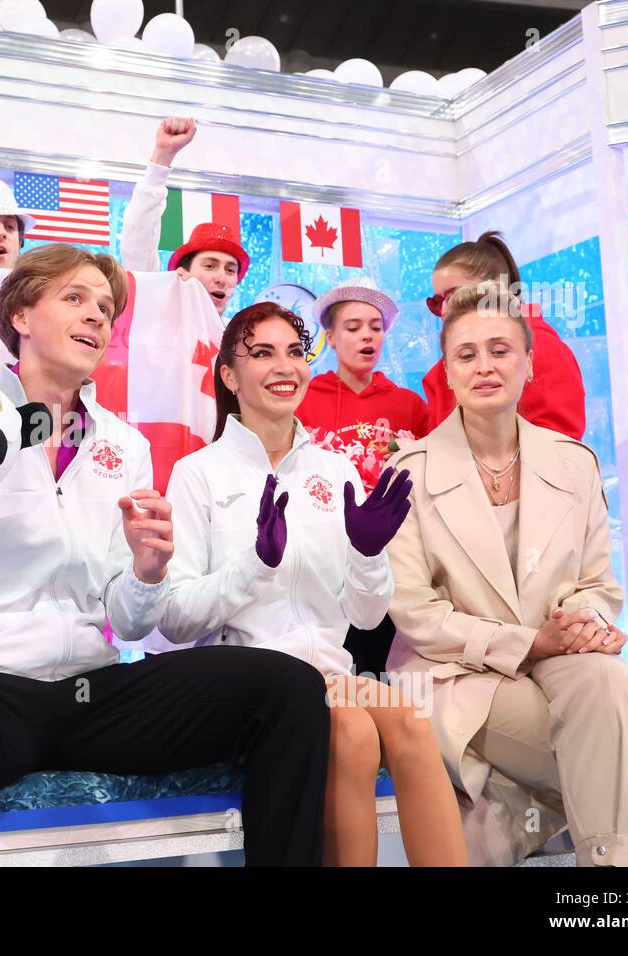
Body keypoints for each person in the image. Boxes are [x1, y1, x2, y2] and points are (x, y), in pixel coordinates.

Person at [0, 245, 332, 866]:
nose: (97, 317)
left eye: (106, 307)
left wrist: (147, 575)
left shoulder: (125, 443)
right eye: (74, 298)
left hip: (95, 698)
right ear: (19, 317)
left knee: (289, 687)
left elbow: (135, 622)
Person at [158, 301, 466, 866]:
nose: (285, 367)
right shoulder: (197, 473)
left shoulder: (335, 472)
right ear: (228, 375)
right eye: (263, 353)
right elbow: (175, 619)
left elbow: (368, 617)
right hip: (244, 682)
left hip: (328, 673)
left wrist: (371, 554)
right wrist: (253, 563)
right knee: (351, 732)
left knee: (411, 721)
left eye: (296, 353)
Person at [387, 282, 628, 867]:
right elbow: (416, 612)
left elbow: (599, 583)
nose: (484, 366)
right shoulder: (408, 471)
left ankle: (539, 834)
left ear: (528, 362)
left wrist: (585, 625)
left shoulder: (575, 462)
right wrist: (527, 643)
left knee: (614, 688)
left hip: (562, 658)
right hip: (456, 672)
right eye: (466, 355)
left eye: (500, 350)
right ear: (446, 371)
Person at [297, 276, 432, 678]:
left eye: (375, 327)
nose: (366, 337)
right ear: (331, 338)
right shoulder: (303, 400)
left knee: (390, 669)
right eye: (353, 328)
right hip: (326, 561)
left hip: (396, 562)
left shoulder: (409, 405)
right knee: (334, 672)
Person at [422, 231, 586, 439]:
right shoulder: (445, 365)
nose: (444, 310)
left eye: (454, 295)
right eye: (436, 302)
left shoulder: (542, 346)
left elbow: (558, 446)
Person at [118, 117, 246, 319]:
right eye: (209, 265)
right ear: (182, 274)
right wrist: (162, 157)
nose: (222, 278)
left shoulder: (237, 340)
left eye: (231, 270)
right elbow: (138, 243)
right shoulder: (155, 315)